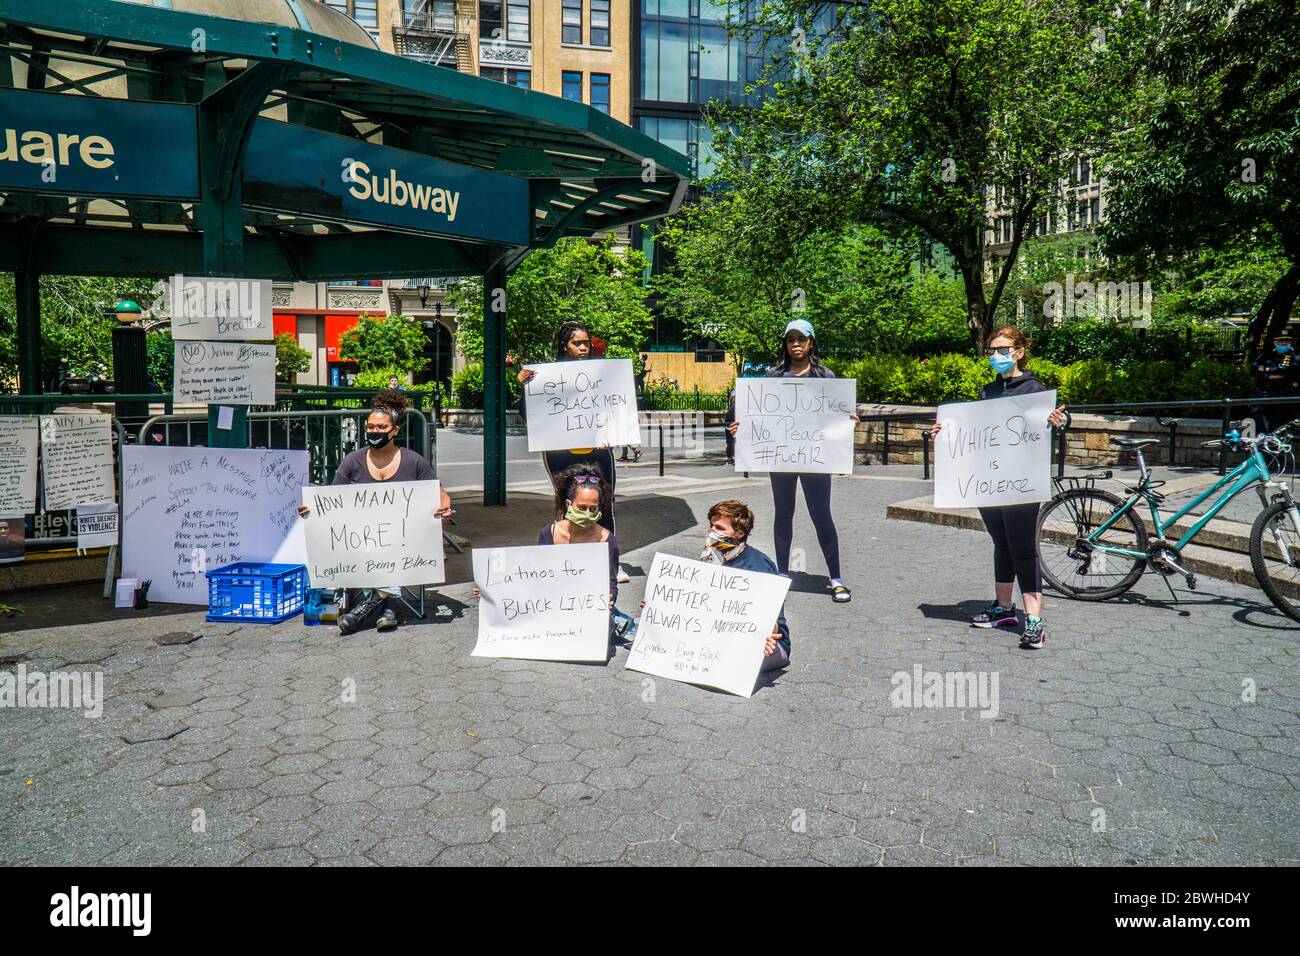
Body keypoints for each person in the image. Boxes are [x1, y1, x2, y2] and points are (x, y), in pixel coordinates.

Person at [929, 326, 1066, 650]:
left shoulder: (1034, 389)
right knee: (1001, 542)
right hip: (989, 482)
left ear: (1019, 351)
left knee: (1023, 547)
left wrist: (1060, 420)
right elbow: (971, 432)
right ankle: (1004, 607)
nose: (996, 356)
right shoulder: (987, 392)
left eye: (1003, 350)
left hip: (1020, 482)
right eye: (992, 351)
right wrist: (942, 432)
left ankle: (1034, 619)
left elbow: (1054, 420)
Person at [298, 389, 453, 636]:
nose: (374, 432)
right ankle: (387, 606)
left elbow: (439, 492)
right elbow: (331, 499)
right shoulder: (353, 461)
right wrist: (312, 509)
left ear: (395, 431)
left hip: (403, 544)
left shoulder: (413, 462)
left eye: (381, 428)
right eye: (370, 427)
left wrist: (445, 504)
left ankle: (370, 604)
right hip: (362, 543)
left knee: (405, 541)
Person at [727, 318, 859, 603]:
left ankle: (835, 578)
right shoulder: (773, 376)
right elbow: (757, 414)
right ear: (785, 344)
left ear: (811, 342)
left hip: (815, 458)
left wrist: (849, 421)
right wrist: (743, 427)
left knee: (821, 514)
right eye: (791, 339)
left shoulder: (826, 377)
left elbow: (838, 413)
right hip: (782, 457)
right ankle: (782, 574)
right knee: (783, 513)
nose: (796, 344)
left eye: (801, 339)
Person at [518, 320, 631, 583]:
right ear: (565, 345)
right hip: (560, 452)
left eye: (586, 343)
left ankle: (611, 563)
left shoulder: (603, 372)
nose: (583, 348)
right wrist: (523, 387)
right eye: (576, 343)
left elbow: (617, 408)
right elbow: (529, 414)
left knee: (603, 503)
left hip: (598, 450)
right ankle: (564, 562)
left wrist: (615, 433)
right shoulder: (546, 375)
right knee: (567, 503)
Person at [473, 462, 626, 643]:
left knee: (597, 633)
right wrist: (493, 591)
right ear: (569, 504)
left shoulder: (608, 540)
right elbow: (535, 577)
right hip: (554, 605)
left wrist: (609, 599)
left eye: (593, 509)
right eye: (582, 508)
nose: (587, 513)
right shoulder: (549, 533)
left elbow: (611, 582)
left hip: (587, 609)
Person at [638, 499, 790, 675]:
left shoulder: (758, 566)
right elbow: (695, 602)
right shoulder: (712, 556)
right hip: (721, 636)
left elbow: (771, 615)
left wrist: (766, 636)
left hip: (768, 641)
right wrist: (659, 606)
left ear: (739, 532)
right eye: (712, 526)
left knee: (736, 659)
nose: (712, 532)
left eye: (720, 528)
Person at [1251, 332, 1300, 433]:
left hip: (1285, 393)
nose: (1283, 344)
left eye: (1286, 341)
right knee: (1259, 416)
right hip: (1268, 392)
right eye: (1281, 341)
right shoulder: (1268, 355)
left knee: (1279, 423)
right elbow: (1254, 368)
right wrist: (1269, 374)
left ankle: (1276, 443)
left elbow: (1284, 370)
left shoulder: (1292, 356)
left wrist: (1266, 369)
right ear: (1275, 342)